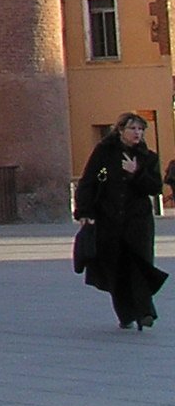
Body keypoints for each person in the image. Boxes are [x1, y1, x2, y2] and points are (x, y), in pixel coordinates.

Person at [75, 112, 166, 331]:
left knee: (140, 265)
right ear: (121, 130)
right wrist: (85, 211)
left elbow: (155, 188)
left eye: (141, 130)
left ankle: (145, 312)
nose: (137, 133)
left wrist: (137, 173)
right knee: (115, 267)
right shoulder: (104, 154)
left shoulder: (147, 157)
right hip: (109, 221)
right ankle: (125, 313)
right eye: (133, 129)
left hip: (138, 223)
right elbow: (91, 181)